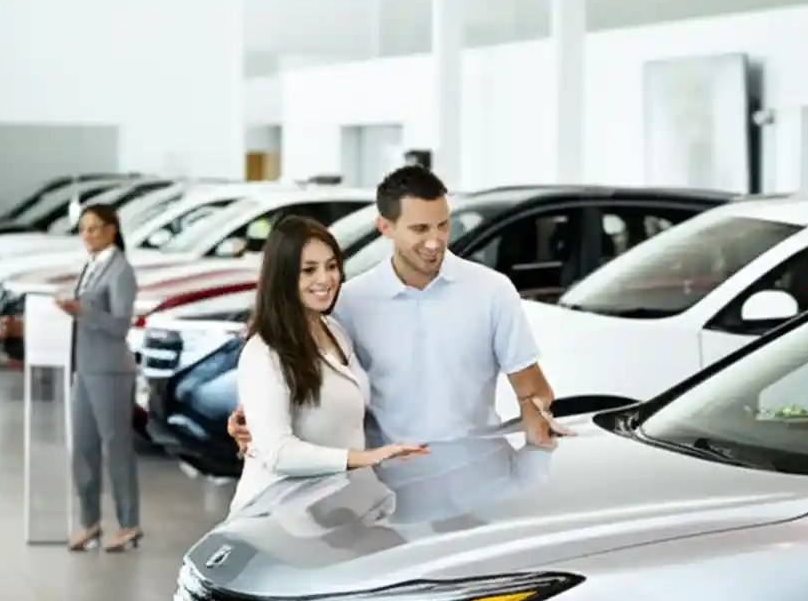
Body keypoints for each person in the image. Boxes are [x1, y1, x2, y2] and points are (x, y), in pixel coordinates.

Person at [228, 164, 565, 461]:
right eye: (420, 229)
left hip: (474, 474)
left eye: (443, 226)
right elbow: (310, 383)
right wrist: (255, 419)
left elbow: (534, 390)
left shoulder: (493, 291)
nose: (435, 242)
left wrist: (536, 429)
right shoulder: (349, 301)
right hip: (386, 484)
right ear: (385, 227)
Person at [228, 215, 429, 515]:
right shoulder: (264, 352)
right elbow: (277, 452)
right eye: (308, 270)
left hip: (330, 510)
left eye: (331, 266)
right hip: (275, 516)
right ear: (283, 277)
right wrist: (366, 457)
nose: (325, 279)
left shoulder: (333, 330)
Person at [59, 204, 142, 552]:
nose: (87, 235)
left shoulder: (120, 270)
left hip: (110, 371)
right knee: (83, 447)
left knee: (116, 446)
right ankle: (90, 521)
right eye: (83, 229)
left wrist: (83, 311)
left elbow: (121, 324)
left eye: (94, 228)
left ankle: (128, 523)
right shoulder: (92, 266)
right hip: (85, 368)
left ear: (111, 230)